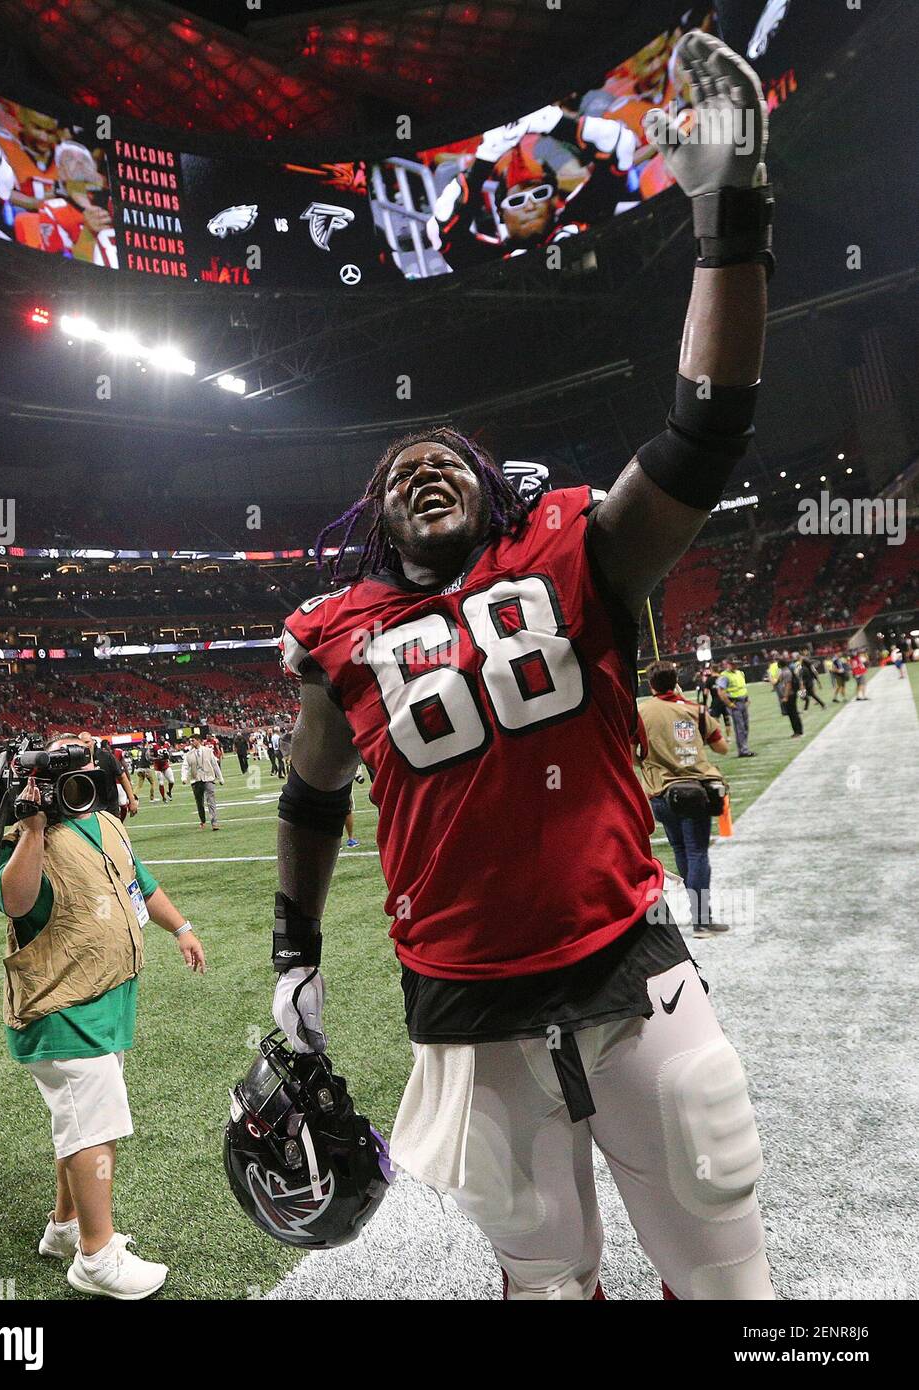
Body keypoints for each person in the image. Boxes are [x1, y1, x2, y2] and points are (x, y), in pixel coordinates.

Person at [271, 30, 774, 1303]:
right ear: (374, 527)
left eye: (445, 456)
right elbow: (310, 798)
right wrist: (291, 954)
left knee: (727, 1275)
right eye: (395, 474)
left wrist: (729, 218)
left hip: (624, 966)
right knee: (542, 1285)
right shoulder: (336, 631)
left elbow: (704, 429)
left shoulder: (569, 554)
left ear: (493, 490)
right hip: (464, 1010)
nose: (420, 468)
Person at [0, 734, 206, 1300]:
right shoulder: (30, 835)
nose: (82, 781)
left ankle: (64, 1229)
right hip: (61, 1006)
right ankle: (96, 1256)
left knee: (81, 1122)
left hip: (104, 997)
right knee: (97, 1126)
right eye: (69, 773)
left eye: (87, 769)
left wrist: (180, 927)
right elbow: (12, 901)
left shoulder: (106, 823)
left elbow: (140, 886)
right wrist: (33, 828)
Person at [636, 661, 729, 937]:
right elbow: (722, 748)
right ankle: (702, 919)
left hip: (659, 793)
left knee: (680, 850)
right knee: (698, 852)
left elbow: (631, 754)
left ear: (651, 685)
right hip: (692, 791)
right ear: (676, 681)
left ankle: (697, 914)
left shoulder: (641, 712)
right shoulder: (694, 709)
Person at [77, 732, 138, 822]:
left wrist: (132, 800)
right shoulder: (77, 761)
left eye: (87, 742)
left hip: (110, 807)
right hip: (88, 809)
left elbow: (122, 777)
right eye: (82, 743)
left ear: (93, 742)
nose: (85, 745)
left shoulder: (106, 756)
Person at [716, 656, 753, 756]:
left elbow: (743, 687)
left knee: (745, 726)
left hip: (743, 701)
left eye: (736, 663)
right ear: (728, 664)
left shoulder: (740, 673)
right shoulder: (724, 676)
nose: (735, 665)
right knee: (740, 727)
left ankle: (744, 747)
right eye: (733, 663)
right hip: (735, 703)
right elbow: (721, 692)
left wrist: (747, 698)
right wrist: (729, 704)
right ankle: (743, 750)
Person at [186, 735, 224, 831]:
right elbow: (185, 766)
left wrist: (220, 777)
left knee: (211, 800)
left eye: (193, 740)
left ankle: (214, 823)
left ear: (199, 740)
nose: (191, 742)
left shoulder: (208, 751)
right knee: (199, 802)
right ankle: (202, 820)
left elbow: (214, 764)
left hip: (208, 778)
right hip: (196, 780)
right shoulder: (189, 754)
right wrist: (184, 777)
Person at [775, 657, 803, 737]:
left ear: (780, 664)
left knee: (793, 714)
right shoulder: (784, 671)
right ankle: (797, 731)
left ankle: (797, 731)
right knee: (792, 714)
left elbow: (788, 685)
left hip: (790, 695)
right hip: (789, 694)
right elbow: (778, 681)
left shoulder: (786, 672)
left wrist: (785, 696)